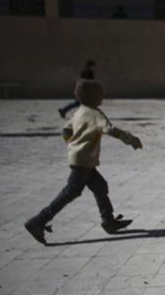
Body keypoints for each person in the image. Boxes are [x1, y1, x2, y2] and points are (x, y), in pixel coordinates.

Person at [25, 79, 143, 245]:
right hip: (83, 162)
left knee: (100, 186)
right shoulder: (95, 114)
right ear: (94, 96)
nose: (103, 97)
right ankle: (38, 221)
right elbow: (110, 129)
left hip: (81, 159)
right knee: (70, 192)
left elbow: (66, 129)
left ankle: (109, 221)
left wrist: (73, 144)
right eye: (101, 94)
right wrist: (131, 139)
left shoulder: (80, 111)